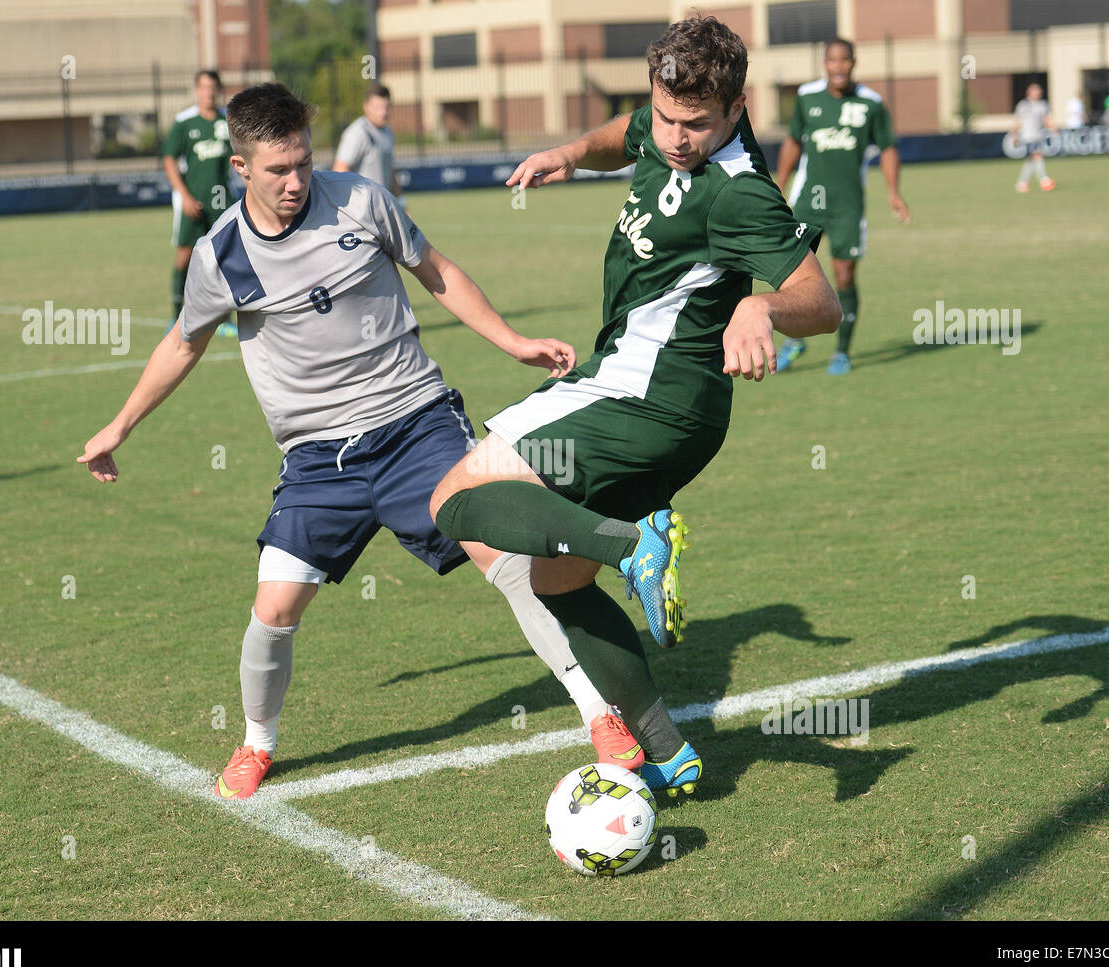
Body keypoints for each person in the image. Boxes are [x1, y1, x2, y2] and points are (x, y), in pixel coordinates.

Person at [79, 82, 642, 800]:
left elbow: (434, 269)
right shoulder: (221, 256)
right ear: (240, 166)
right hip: (318, 459)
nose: (294, 181)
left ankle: (602, 714)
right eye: (277, 169)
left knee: (504, 556)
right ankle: (257, 744)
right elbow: (183, 344)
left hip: (417, 425)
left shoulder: (360, 200)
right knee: (274, 607)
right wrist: (118, 425)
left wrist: (512, 340)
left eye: (302, 164)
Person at [429, 17, 841, 799]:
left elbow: (819, 302)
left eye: (697, 124)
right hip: (661, 405)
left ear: (738, 107)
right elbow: (629, 134)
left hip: (644, 394)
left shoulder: (739, 191)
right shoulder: (664, 122)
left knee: (453, 503)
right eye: (667, 116)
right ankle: (669, 751)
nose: (678, 137)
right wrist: (568, 154)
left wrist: (761, 308)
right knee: (556, 582)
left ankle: (633, 543)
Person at [773, 37, 909, 376]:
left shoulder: (871, 103)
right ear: (825, 63)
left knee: (845, 275)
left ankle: (842, 352)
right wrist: (780, 182)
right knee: (791, 275)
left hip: (848, 205)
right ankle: (794, 340)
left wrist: (893, 192)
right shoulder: (807, 97)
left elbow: (889, 149)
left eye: (844, 60)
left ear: (853, 62)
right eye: (832, 61)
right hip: (809, 200)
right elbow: (792, 142)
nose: (838, 67)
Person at [163, 70, 236, 337]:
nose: (209, 92)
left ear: (219, 90)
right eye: (204, 87)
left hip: (222, 201)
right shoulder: (185, 122)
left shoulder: (227, 121)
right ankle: (175, 317)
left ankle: (224, 320)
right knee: (184, 256)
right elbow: (169, 159)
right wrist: (184, 195)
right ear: (197, 90)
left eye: (213, 87)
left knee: (224, 259)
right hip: (193, 201)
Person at [333, 84, 403, 201]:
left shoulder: (388, 132)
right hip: (363, 209)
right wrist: (354, 203)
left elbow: (391, 170)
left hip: (382, 204)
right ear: (366, 106)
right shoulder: (358, 132)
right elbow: (340, 169)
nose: (383, 112)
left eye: (386, 107)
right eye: (377, 107)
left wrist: (402, 202)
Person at [1011, 82, 1057, 193]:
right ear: (1029, 92)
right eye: (1035, 91)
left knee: (1031, 160)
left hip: (1038, 136)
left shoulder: (1042, 105)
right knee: (1037, 156)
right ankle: (1044, 180)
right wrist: (1014, 134)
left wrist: (1053, 129)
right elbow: (1018, 121)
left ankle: (1022, 183)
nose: (1038, 93)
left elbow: (1046, 119)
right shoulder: (1023, 105)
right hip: (1028, 137)